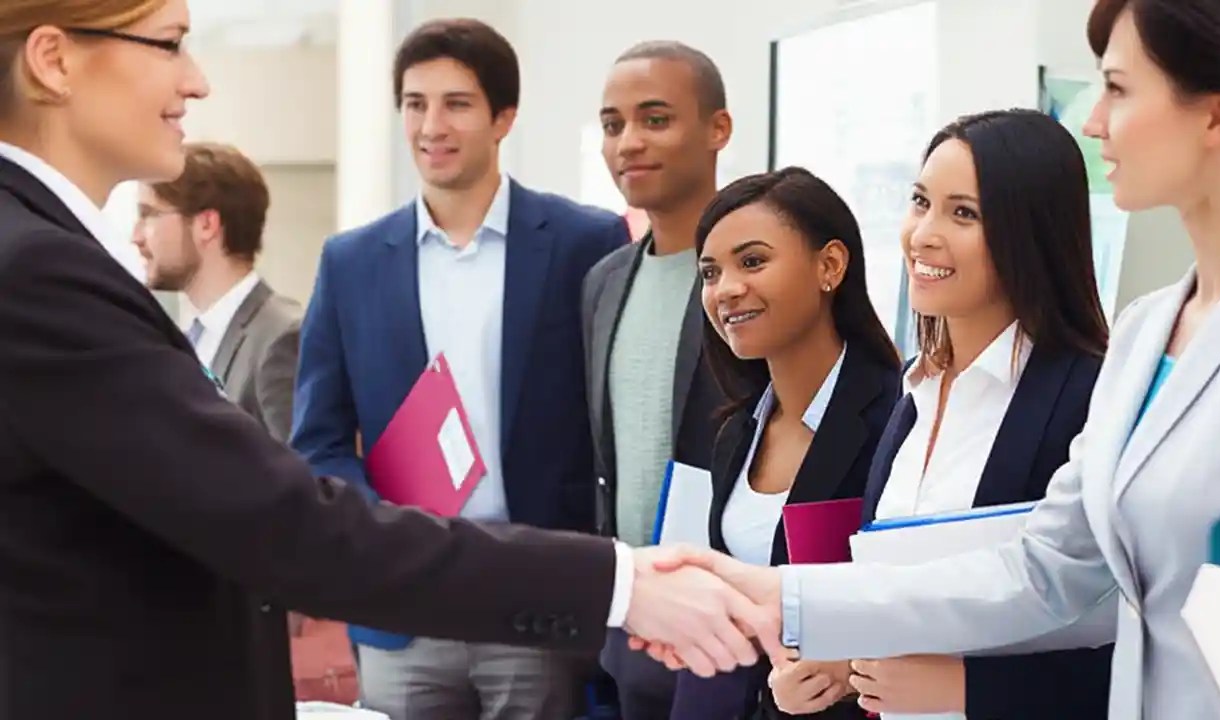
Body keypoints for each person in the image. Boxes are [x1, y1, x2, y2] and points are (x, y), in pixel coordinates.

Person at [0, 3, 780, 719]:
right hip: (406, 603)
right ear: (53, 61)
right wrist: (619, 583)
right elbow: (285, 511)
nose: (196, 79)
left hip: (524, 604)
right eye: (170, 44)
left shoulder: (581, 244)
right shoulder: (38, 271)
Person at [641, 0, 1220, 717]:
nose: (1094, 119)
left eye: (1120, 89)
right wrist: (778, 597)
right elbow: (1046, 571)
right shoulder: (1145, 333)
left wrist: (976, 691)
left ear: (1217, 116)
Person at [287, 17, 640, 720]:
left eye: (456, 103)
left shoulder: (583, 241)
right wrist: (382, 527)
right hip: (403, 602)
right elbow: (319, 440)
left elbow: (608, 422)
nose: (431, 125)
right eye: (415, 104)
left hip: (535, 593)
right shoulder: (351, 263)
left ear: (503, 117)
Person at [768, 111, 1113, 719]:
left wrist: (970, 691)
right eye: (920, 202)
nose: (923, 234)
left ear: (1030, 232)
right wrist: (841, 664)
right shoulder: (913, 394)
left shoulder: (1091, 393)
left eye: (963, 213)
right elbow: (907, 602)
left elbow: (1133, 635)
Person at [671, 167, 901, 720]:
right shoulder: (734, 433)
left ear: (830, 266)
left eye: (752, 262)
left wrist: (846, 672)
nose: (725, 289)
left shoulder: (898, 419)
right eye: (710, 272)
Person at [583, 40, 733, 719]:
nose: (629, 143)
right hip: (628, 624)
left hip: (729, 626)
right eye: (613, 125)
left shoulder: (756, 273)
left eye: (655, 118)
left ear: (717, 129)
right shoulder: (604, 281)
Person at [132, 141, 301, 444]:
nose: (136, 236)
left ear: (207, 225)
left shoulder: (281, 337)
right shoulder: (183, 340)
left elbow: (304, 482)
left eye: (149, 214)